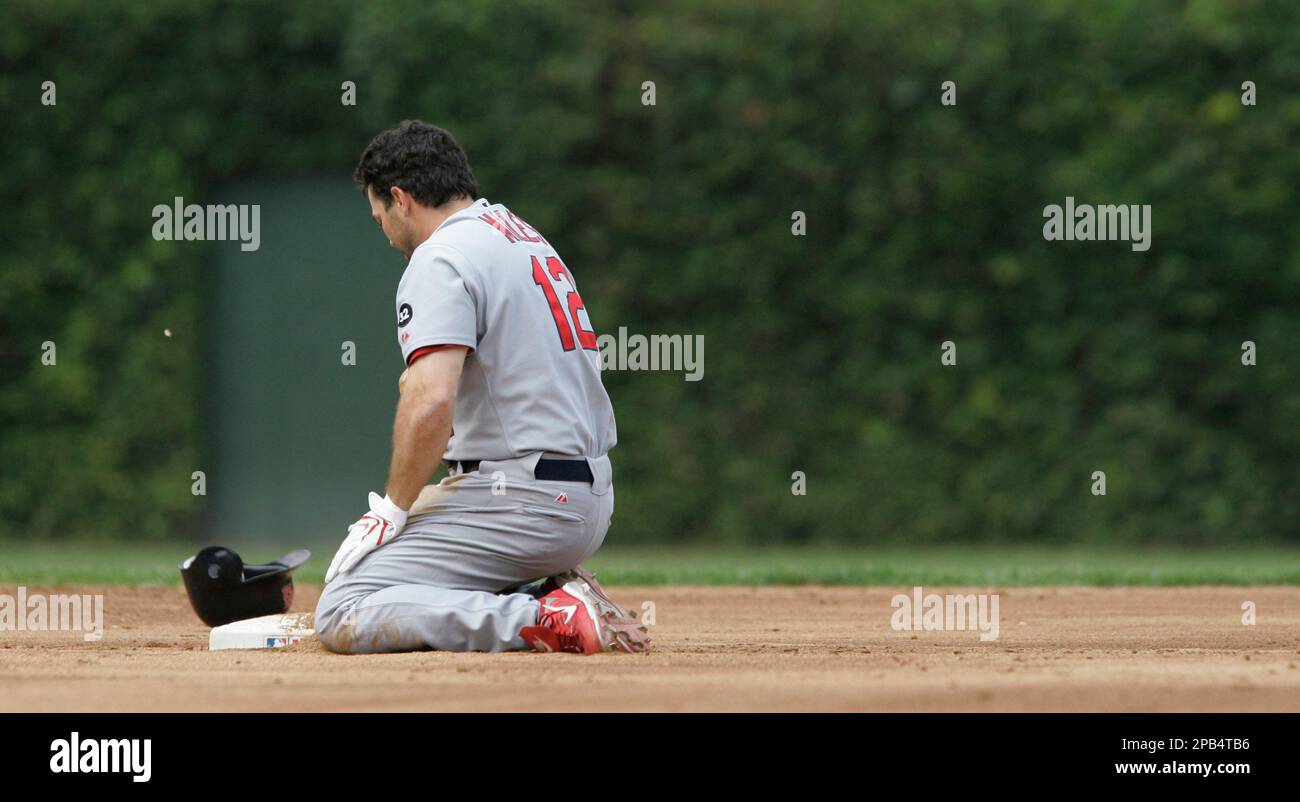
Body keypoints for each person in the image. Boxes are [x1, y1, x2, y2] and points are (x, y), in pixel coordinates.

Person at [314, 120, 649, 655]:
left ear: (400, 198)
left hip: (527, 502)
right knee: (415, 543)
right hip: (582, 494)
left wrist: (394, 509)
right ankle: (549, 589)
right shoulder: (518, 232)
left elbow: (431, 398)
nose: (383, 230)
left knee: (342, 607)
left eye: (379, 214)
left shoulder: (441, 254)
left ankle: (543, 616)